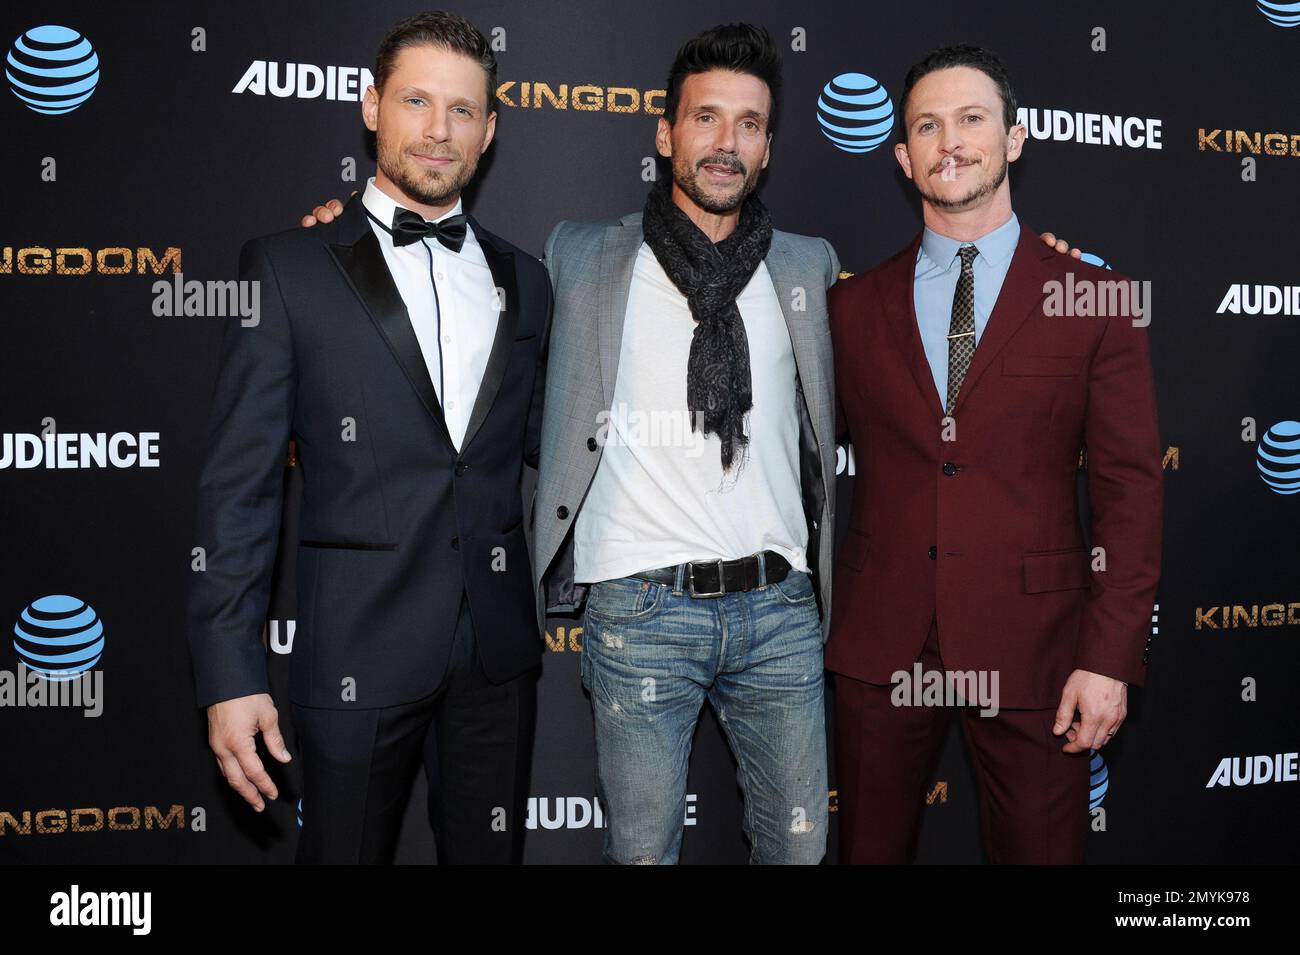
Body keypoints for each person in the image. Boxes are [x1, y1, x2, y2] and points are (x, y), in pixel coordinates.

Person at [188, 11, 551, 864]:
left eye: (463, 110)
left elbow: (537, 443)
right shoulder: (285, 267)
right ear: (370, 105)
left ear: (490, 129)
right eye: (418, 100)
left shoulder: (525, 280)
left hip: (496, 660)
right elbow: (237, 489)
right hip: (355, 652)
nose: (439, 129)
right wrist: (231, 674)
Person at [827, 45, 1162, 864]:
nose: (952, 141)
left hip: (1038, 648)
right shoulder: (848, 307)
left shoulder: (1093, 297)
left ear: (1014, 138)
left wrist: (1110, 658)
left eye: (972, 119)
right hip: (882, 645)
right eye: (928, 126)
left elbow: (1130, 490)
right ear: (903, 156)